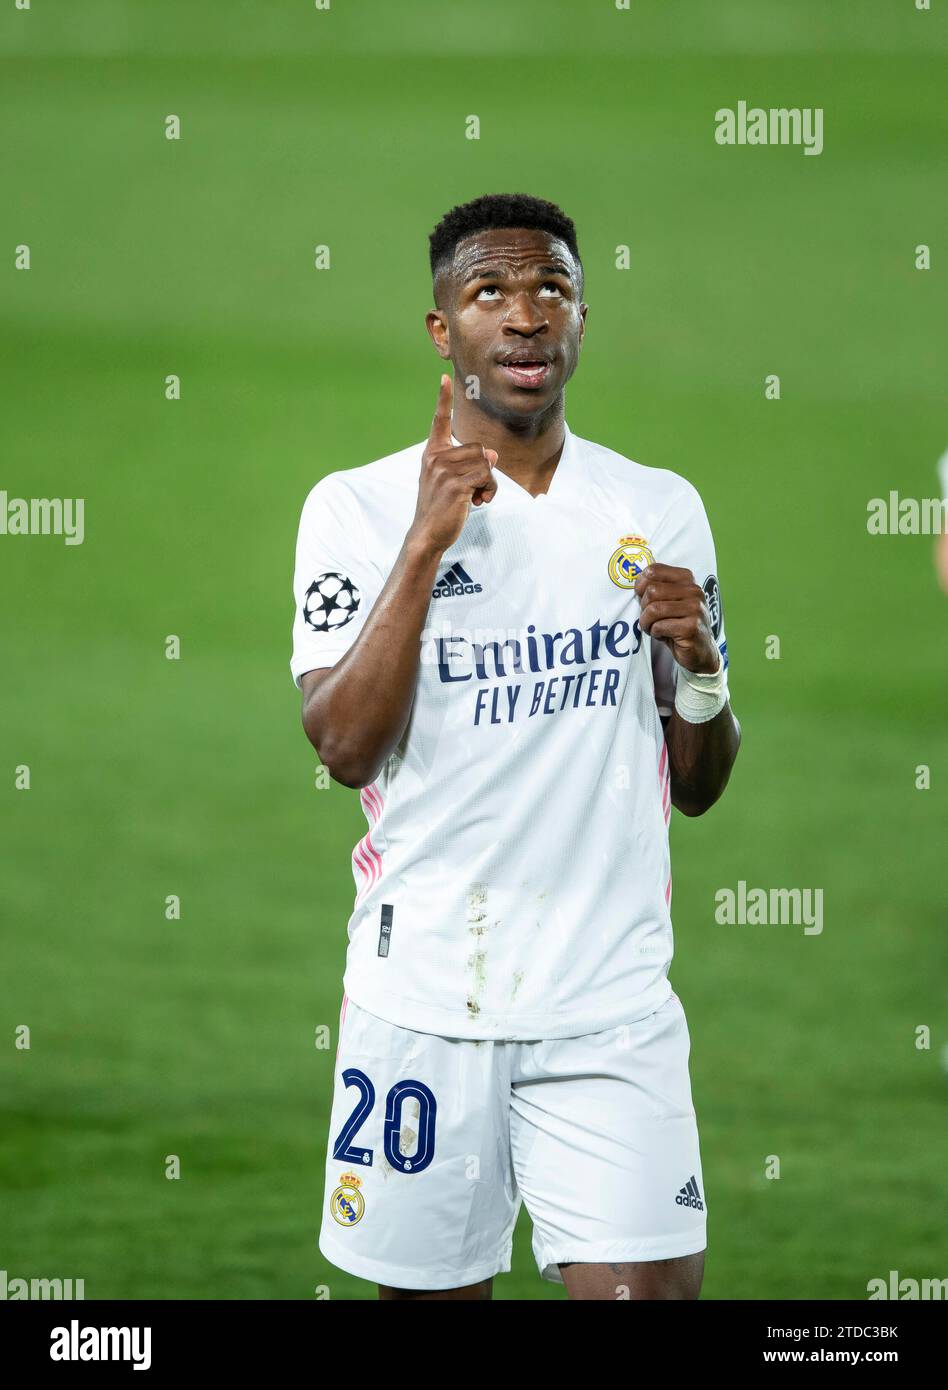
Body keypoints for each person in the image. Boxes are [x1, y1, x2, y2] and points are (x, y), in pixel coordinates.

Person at [291, 193, 741, 1300]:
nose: (527, 316)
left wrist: (704, 672)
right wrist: (425, 542)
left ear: (584, 318)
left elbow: (701, 785)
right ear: (444, 330)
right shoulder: (355, 509)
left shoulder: (656, 508)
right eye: (490, 291)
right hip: (426, 998)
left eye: (553, 290)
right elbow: (345, 745)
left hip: (610, 1003)